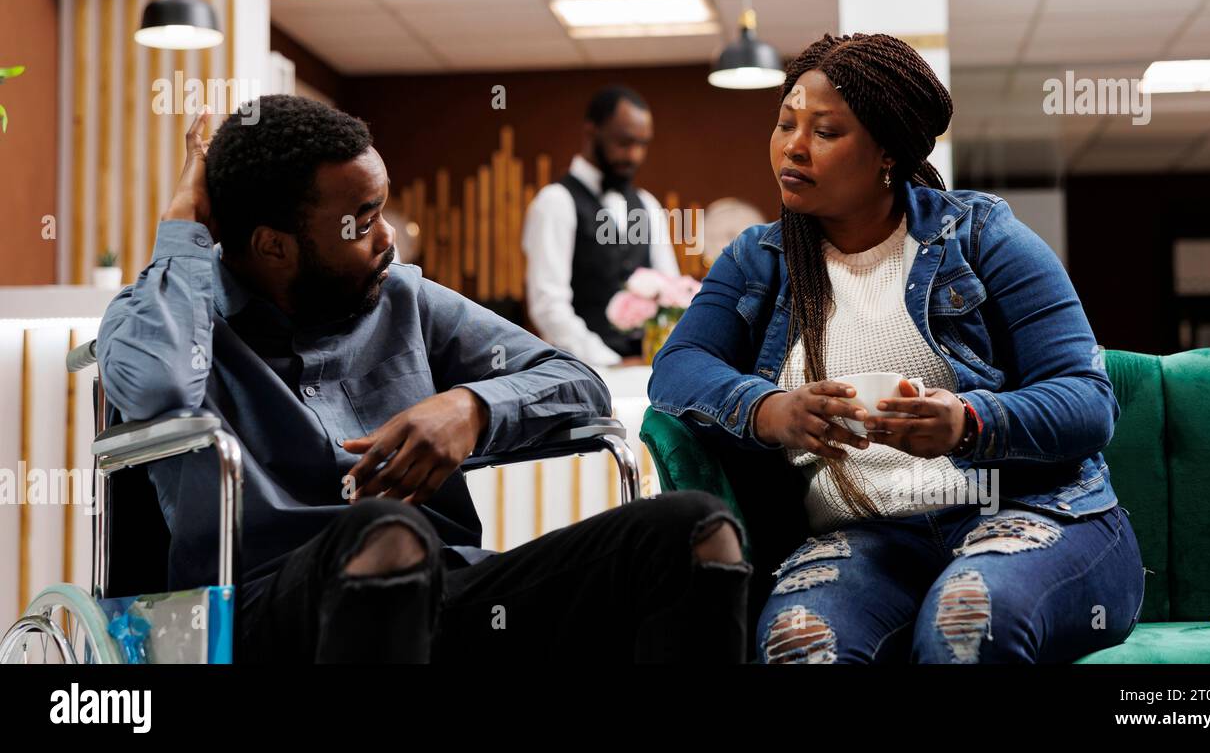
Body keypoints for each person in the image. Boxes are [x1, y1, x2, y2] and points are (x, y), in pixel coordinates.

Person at [97, 95, 750, 664]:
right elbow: (161, 389)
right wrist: (185, 218)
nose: (389, 238)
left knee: (694, 531)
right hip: (270, 609)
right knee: (386, 534)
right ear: (274, 247)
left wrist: (473, 408)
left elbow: (578, 383)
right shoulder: (161, 313)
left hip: (447, 590)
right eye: (361, 220)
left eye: (384, 210)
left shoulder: (403, 299)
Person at [648, 34, 1146, 664]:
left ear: (887, 151)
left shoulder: (981, 235)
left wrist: (969, 423)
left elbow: (1087, 402)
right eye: (784, 123)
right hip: (865, 538)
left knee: (965, 624)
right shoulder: (760, 259)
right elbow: (678, 369)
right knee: (800, 645)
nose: (793, 147)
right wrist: (771, 409)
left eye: (825, 131)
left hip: (1029, 514)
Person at [523, 85, 679, 367]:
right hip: (581, 369)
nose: (634, 155)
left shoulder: (647, 204)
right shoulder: (556, 202)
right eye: (624, 142)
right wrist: (608, 362)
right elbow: (548, 305)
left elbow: (671, 291)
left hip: (646, 370)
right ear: (592, 132)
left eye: (642, 144)